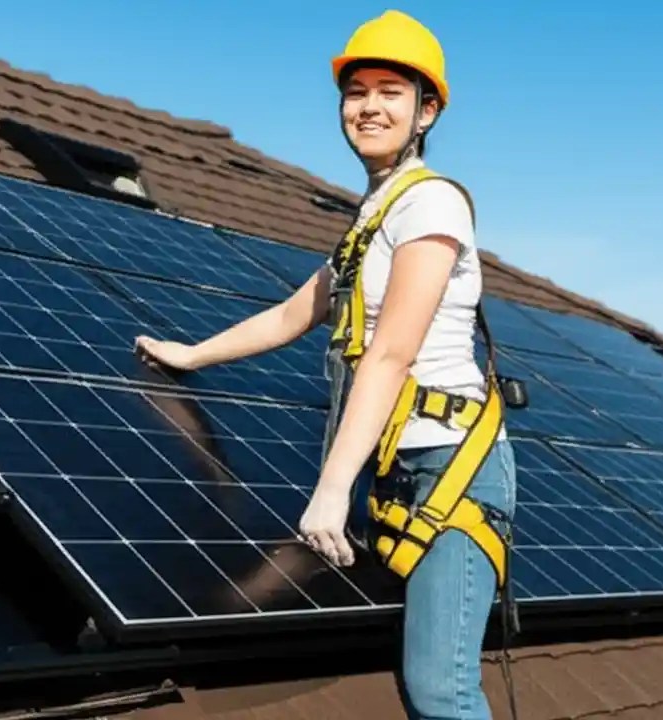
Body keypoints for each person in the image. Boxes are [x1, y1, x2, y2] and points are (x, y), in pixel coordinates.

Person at [135, 10, 518, 719]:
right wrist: (191, 353)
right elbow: (292, 314)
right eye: (357, 90)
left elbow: (392, 352)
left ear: (427, 109)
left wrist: (331, 488)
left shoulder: (431, 204)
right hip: (396, 465)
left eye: (391, 92)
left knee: (441, 687)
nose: (368, 106)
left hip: (448, 470)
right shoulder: (373, 216)